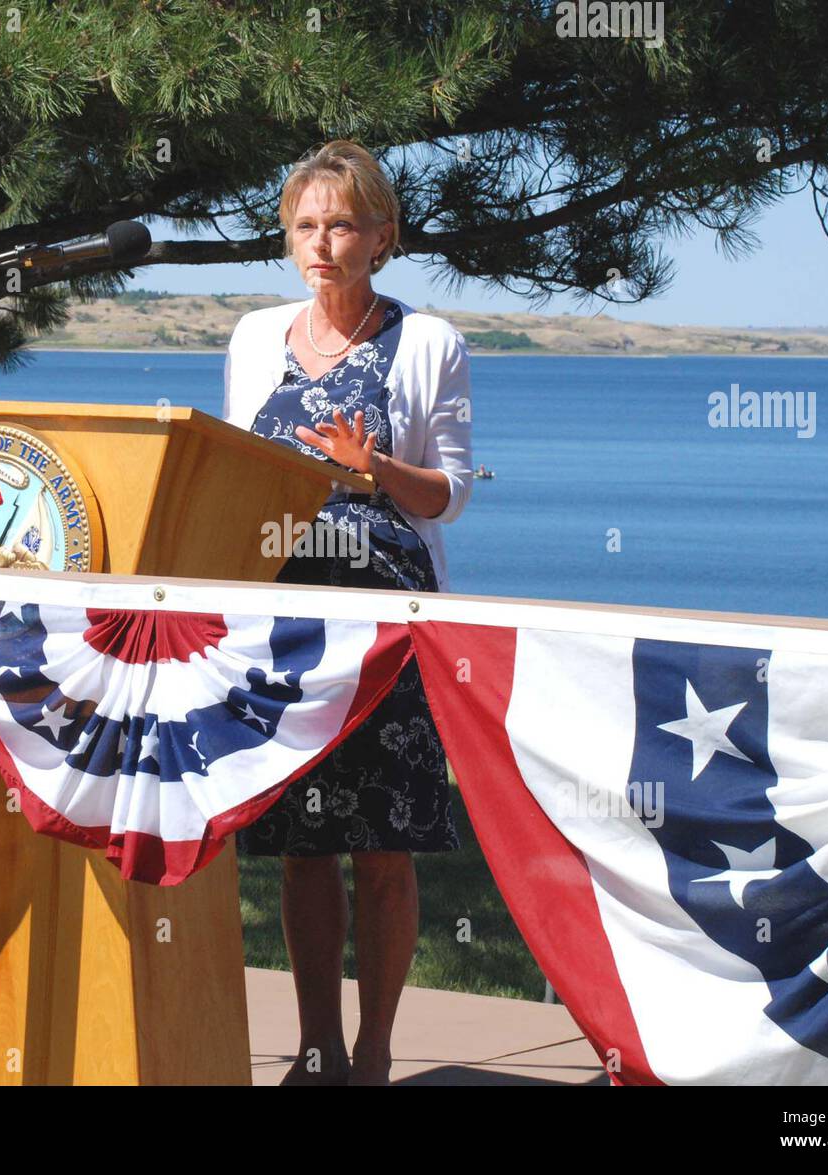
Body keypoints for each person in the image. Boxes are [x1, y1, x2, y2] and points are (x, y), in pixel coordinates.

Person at [221, 140, 474, 1085]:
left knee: (384, 851)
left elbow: (447, 494)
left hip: (389, 631)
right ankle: (317, 1047)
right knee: (300, 846)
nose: (320, 242)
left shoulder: (426, 343)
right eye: (304, 225)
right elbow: (235, 475)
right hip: (282, 630)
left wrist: (375, 469)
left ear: (381, 235)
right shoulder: (255, 337)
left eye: (340, 224)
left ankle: (373, 1052)